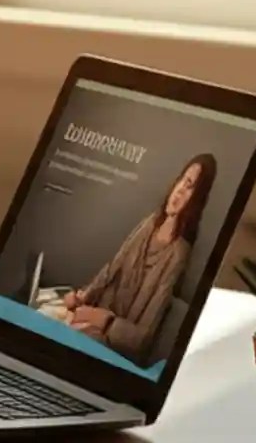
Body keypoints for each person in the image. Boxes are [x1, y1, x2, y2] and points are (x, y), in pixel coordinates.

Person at [61, 154, 218, 365]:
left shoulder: (178, 254)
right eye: (182, 179)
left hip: (114, 343)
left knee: (64, 337)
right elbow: (111, 269)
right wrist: (83, 297)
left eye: (189, 186)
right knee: (49, 316)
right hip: (93, 317)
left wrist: (105, 321)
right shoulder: (150, 223)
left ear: (197, 199)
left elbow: (142, 338)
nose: (180, 189)